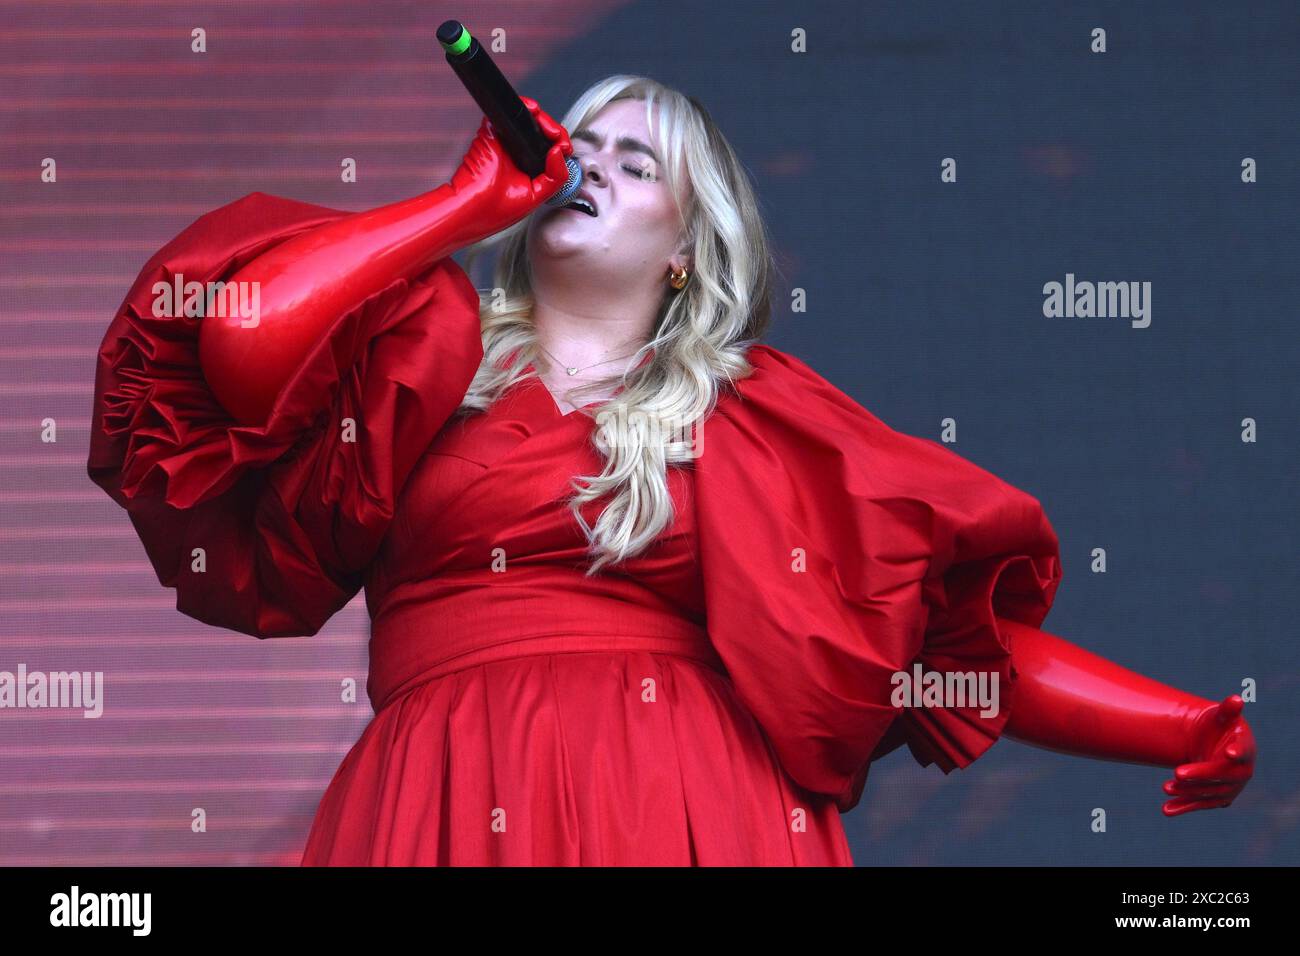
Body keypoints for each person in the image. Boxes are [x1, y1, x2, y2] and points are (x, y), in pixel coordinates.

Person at [87, 75, 1255, 866]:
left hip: (690, 799)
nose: (584, 165)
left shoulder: (757, 415)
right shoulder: (415, 346)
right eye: (572, 145)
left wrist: (1181, 723)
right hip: (440, 789)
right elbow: (233, 337)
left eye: (632, 161)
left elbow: (954, 638)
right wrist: (454, 207)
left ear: (689, 247)